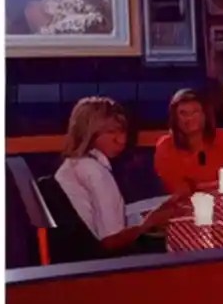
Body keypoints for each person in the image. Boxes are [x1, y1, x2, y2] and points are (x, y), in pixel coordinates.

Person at [55, 97, 177, 252]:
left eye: (123, 131)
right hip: (106, 263)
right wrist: (150, 222)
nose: (122, 140)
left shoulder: (72, 165)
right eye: (111, 132)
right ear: (88, 133)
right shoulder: (95, 172)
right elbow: (111, 242)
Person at [153, 89, 223, 196]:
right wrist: (220, 184)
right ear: (175, 118)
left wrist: (197, 186)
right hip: (187, 208)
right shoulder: (165, 146)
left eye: (195, 112)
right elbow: (179, 192)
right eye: (183, 113)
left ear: (205, 115)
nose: (189, 118)